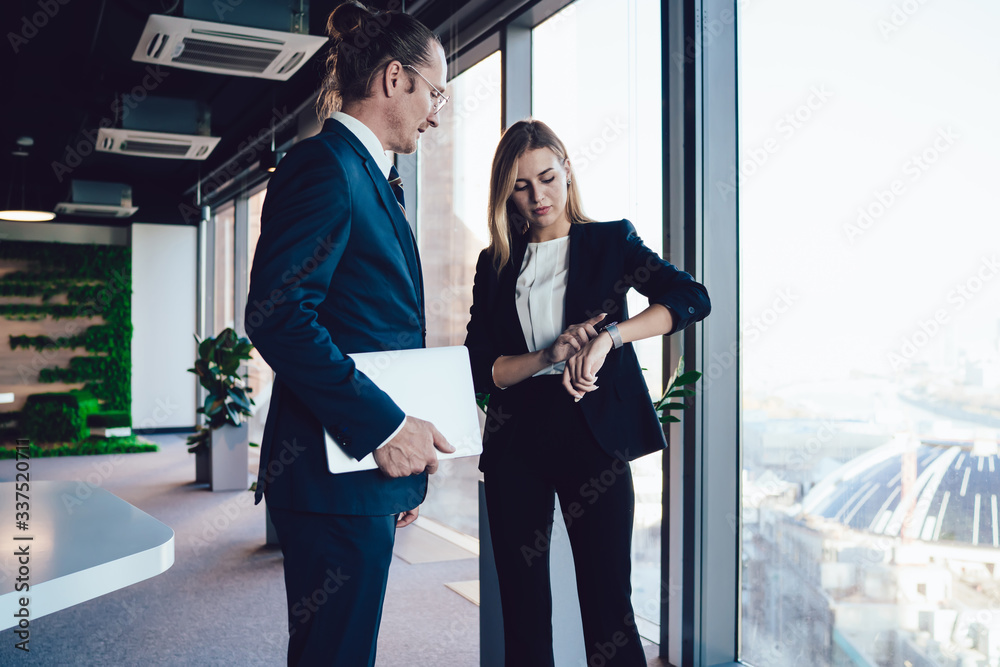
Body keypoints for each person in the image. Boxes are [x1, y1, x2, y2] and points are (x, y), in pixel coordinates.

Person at [245, 3, 454, 665]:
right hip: (334, 470)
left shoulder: (365, 175)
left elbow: (366, 325)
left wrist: (397, 470)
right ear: (395, 79)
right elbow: (278, 315)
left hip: (357, 477)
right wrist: (386, 431)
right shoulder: (324, 167)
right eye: (434, 92)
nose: (437, 113)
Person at [464, 119, 711, 666]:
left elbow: (691, 297)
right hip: (516, 443)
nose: (538, 196)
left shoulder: (609, 241)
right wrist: (549, 356)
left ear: (568, 171)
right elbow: (481, 369)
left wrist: (609, 339)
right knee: (522, 613)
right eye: (522, 186)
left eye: (548, 178)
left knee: (608, 611)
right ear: (506, 191)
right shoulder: (496, 262)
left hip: (592, 440)